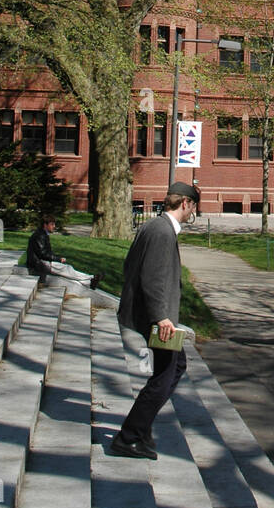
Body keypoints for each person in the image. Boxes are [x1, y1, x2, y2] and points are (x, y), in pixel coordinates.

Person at [111, 182, 200, 460]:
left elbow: (129, 266)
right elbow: (153, 278)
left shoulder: (152, 226)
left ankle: (141, 427)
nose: (193, 212)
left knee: (175, 366)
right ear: (185, 203)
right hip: (158, 318)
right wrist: (161, 316)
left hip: (152, 314)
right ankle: (130, 435)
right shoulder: (163, 232)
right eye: (193, 206)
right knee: (165, 374)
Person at [26, 216, 103, 289]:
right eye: (52, 224)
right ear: (45, 225)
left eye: (54, 224)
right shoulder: (40, 236)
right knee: (67, 269)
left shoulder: (42, 234)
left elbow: (45, 252)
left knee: (67, 272)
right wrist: (58, 259)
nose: (54, 226)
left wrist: (56, 258)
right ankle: (92, 277)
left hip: (41, 261)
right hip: (39, 263)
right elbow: (42, 253)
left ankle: (89, 283)